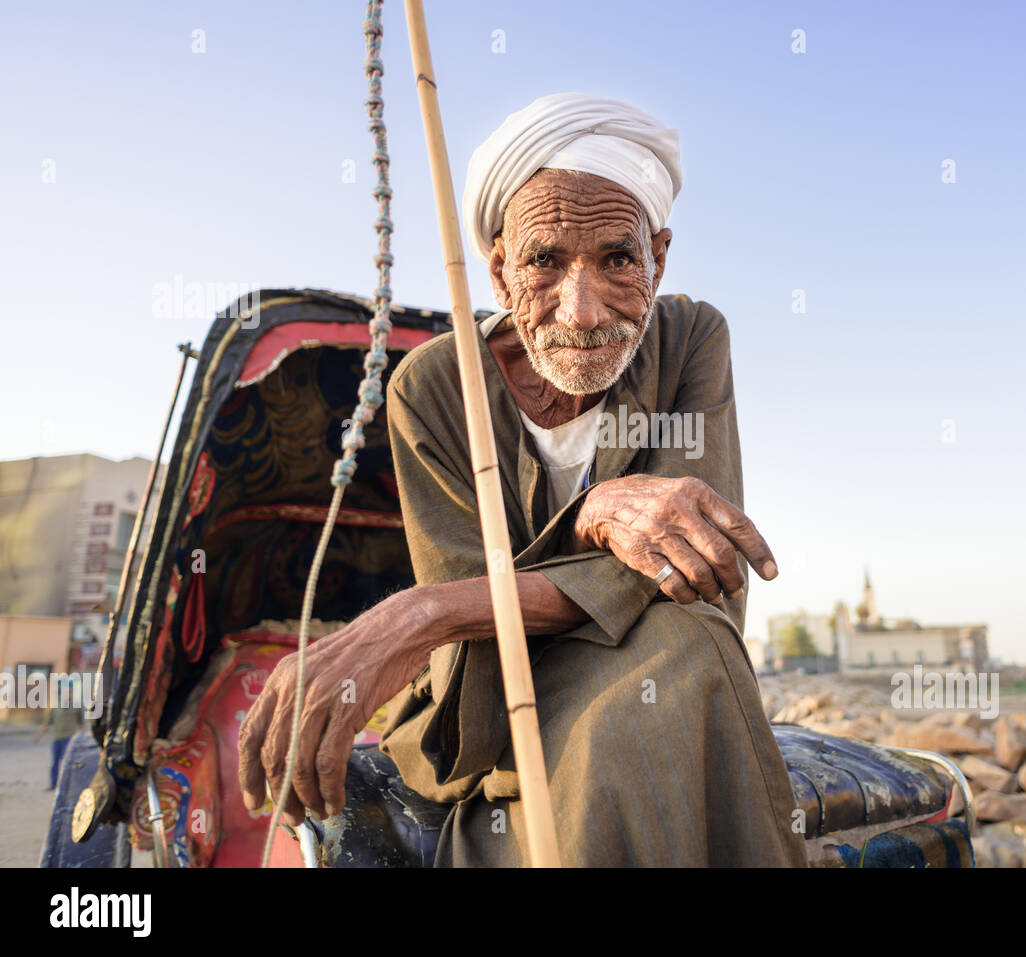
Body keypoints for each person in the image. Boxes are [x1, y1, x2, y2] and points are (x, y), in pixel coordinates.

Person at [238, 93, 806, 867]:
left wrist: (420, 614)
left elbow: (689, 572)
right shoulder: (433, 385)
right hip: (490, 682)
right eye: (544, 260)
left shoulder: (691, 337)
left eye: (618, 258)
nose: (582, 308)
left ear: (659, 258)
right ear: (500, 268)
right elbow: (475, 612)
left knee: (686, 638)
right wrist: (583, 525)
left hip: (656, 651)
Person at [34, 677, 84, 790]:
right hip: (57, 738)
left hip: (70, 739)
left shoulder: (77, 706)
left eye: (69, 690)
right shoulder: (55, 707)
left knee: (69, 763)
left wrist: (83, 739)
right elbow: (47, 724)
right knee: (55, 763)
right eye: (66, 690)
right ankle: (53, 784)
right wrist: (38, 737)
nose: (68, 692)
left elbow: (82, 725)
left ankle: (68, 785)